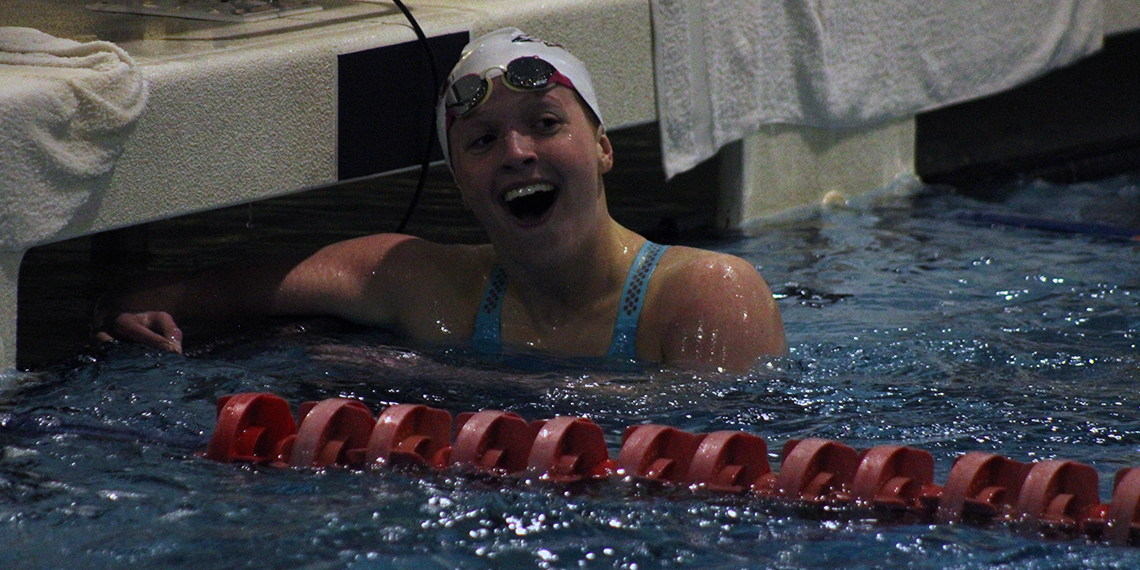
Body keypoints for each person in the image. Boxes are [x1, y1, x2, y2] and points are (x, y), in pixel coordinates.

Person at [95, 28, 786, 371]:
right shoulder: (420, 281)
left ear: (604, 147)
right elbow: (173, 295)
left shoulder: (706, 295)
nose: (516, 152)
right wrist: (132, 316)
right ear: (459, 182)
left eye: (546, 123)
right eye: (482, 140)